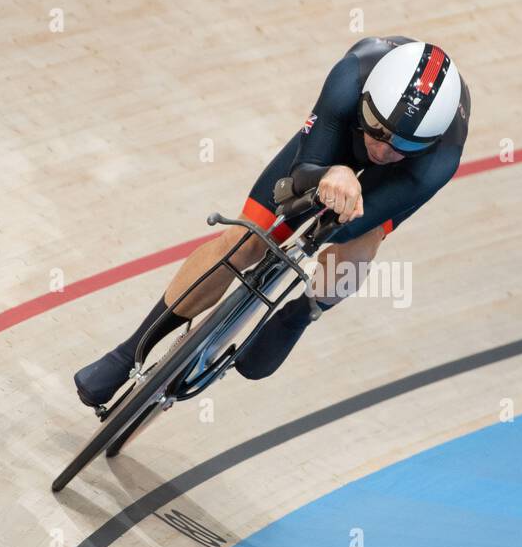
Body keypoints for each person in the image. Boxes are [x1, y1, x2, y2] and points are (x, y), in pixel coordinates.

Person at [73, 35, 472, 407]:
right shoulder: (351, 75)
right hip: (339, 140)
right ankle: (129, 351)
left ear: (427, 143)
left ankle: (305, 311)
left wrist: (339, 217)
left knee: (361, 237)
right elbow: (304, 172)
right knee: (248, 239)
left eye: (403, 144)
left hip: (400, 182)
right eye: (379, 130)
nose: (383, 149)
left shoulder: (439, 160)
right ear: (365, 101)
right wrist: (326, 175)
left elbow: (347, 224)